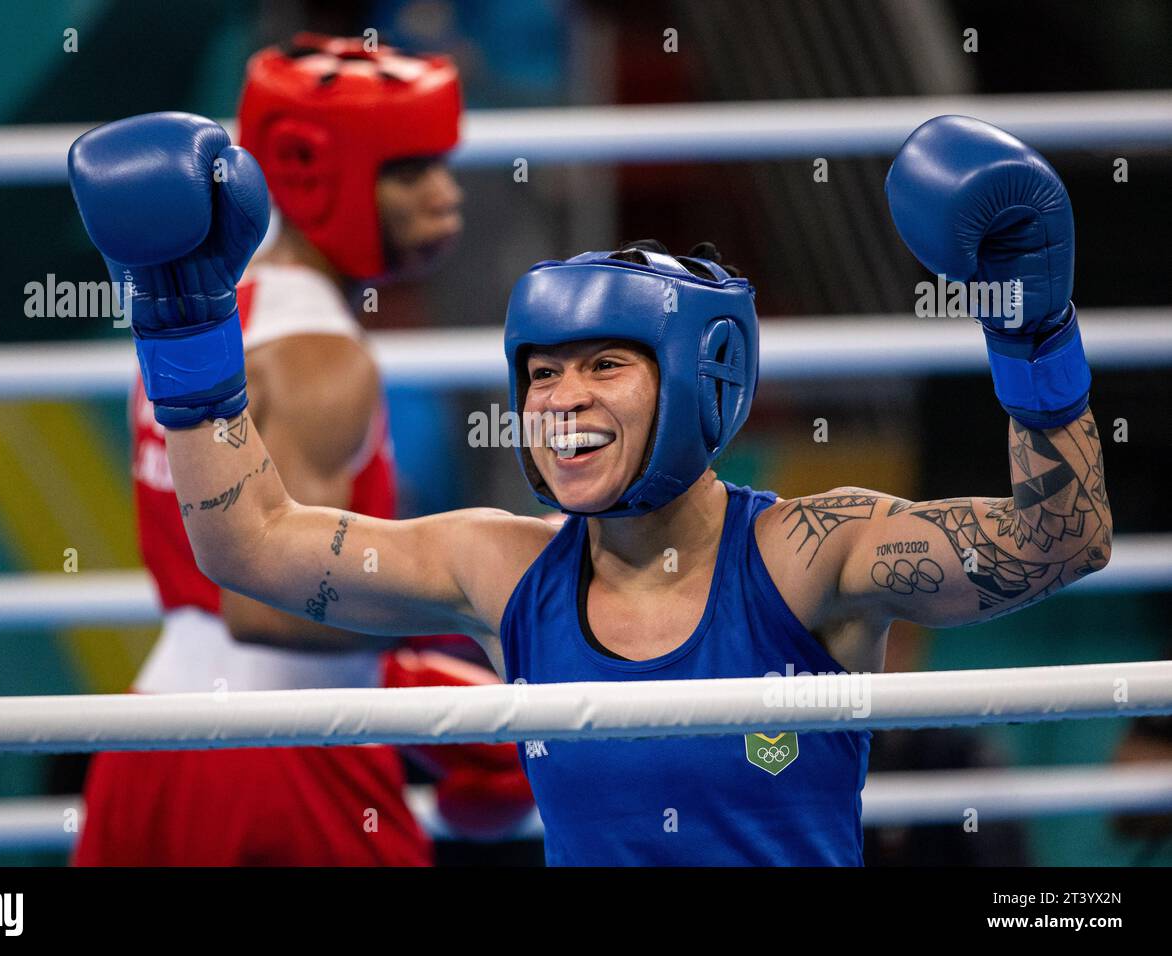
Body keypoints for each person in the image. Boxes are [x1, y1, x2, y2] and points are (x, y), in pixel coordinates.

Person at [68, 110, 1112, 865]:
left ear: (703, 379)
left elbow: (1059, 538)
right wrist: (188, 326)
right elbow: (247, 545)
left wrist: (1032, 333)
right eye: (540, 371)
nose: (561, 400)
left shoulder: (808, 552)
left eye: (604, 364)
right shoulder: (501, 566)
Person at [74, 34, 531, 867]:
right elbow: (267, 601)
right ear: (316, 171)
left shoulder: (207, 316)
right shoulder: (319, 355)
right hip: (284, 750)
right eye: (409, 170)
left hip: (149, 737)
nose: (446, 196)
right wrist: (454, 618)